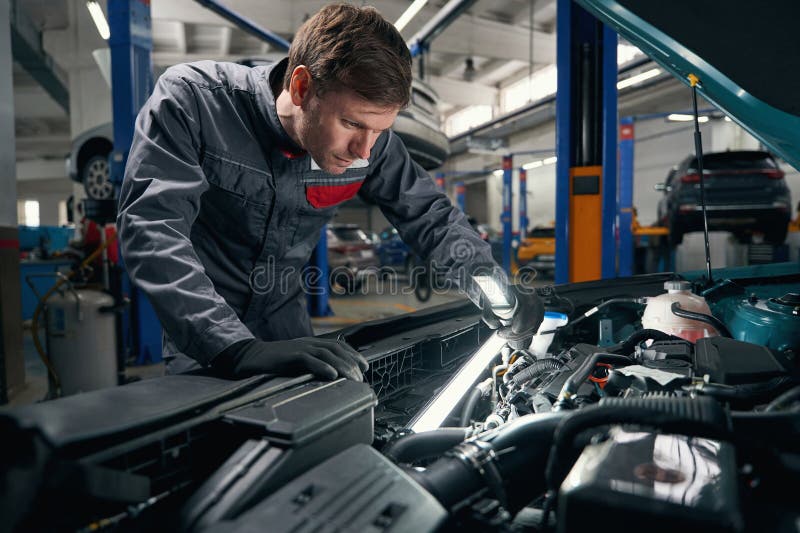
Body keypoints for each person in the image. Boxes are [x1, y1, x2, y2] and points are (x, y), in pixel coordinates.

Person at [117, 3, 544, 381]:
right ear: (302, 88)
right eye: (353, 124)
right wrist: (234, 347)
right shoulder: (194, 101)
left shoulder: (373, 147)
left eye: (380, 130)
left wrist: (495, 288)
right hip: (205, 343)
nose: (365, 150)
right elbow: (152, 227)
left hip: (292, 335)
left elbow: (430, 217)